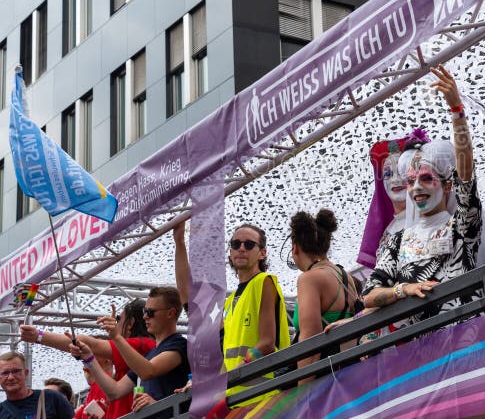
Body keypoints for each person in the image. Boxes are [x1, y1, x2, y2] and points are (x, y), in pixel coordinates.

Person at [362, 65, 483, 327]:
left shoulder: (460, 226)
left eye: (427, 178)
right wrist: (402, 290)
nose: (417, 187)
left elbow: (466, 175)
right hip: (423, 350)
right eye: (411, 181)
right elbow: (369, 295)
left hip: (467, 337)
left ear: (447, 186)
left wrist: (457, 111)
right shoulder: (397, 240)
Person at [173, 221, 290, 406]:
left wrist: (234, 373)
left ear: (262, 253)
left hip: (265, 398)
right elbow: (189, 299)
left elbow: (267, 344)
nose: (241, 248)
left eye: (249, 244)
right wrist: (179, 242)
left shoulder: (264, 281)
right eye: (236, 244)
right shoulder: (230, 301)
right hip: (237, 399)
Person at [20, 299, 155, 419]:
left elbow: (89, 343)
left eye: (119, 319)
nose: (115, 322)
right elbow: (115, 393)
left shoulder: (141, 345)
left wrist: (38, 336)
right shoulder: (139, 350)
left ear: (130, 323)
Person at [71, 287, 190, 419]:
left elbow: (148, 372)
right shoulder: (149, 356)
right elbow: (114, 391)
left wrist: (117, 337)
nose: (145, 316)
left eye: (150, 312)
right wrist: (89, 358)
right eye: (145, 311)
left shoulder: (179, 345)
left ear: (171, 313)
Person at [290, 209, 361, 381]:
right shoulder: (347, 277)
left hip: (324, 380)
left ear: (295, 248)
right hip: (349, 370)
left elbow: (310, 340)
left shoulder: (309, 278)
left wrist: (302, 394)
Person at [358, 129, 430, 268]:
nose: (395, 180)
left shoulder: (431, 216)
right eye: (388, 174)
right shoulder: (388, 231)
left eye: (402, 171)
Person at [0, 351, 74, 418]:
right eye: (5, 373)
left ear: (26, 373)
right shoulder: (1, 410)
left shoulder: (50, 398)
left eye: (16, 371)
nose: (11, 377)